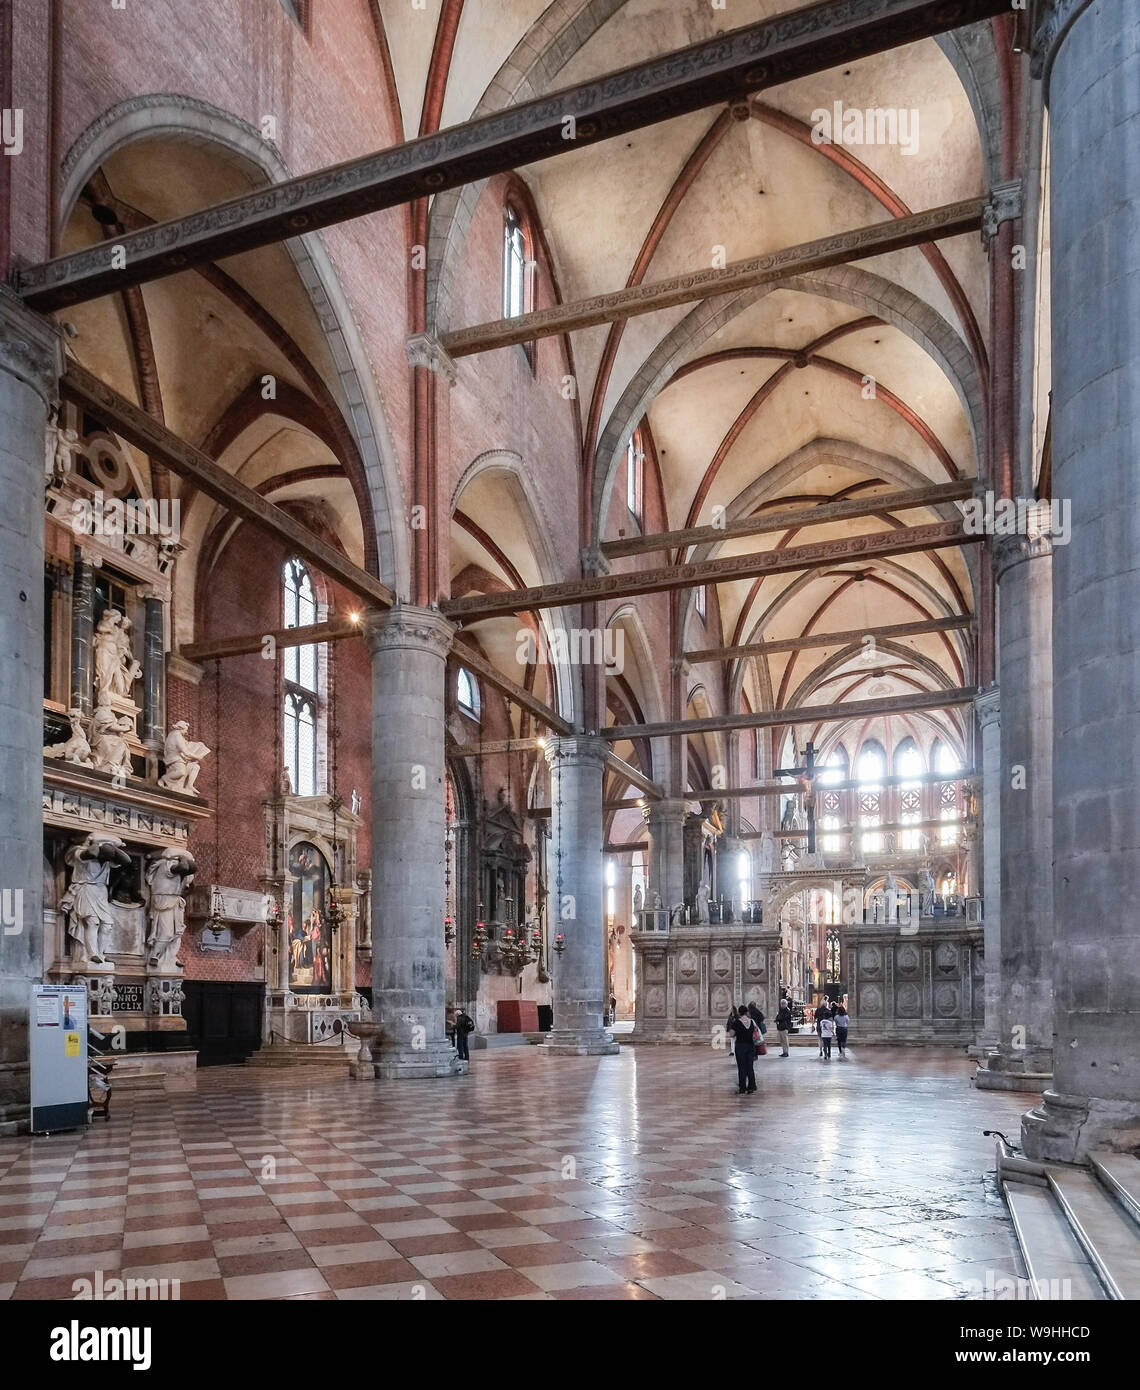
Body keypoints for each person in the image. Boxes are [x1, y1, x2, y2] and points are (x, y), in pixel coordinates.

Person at [727, 1005, 758, 1094]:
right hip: (751, 1046)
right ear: (746, 1012)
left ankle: (743, 1087)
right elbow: (755, 1031)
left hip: (740, 1046)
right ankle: (752, 1086)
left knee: (742, 1067)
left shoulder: (737, 1022)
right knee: (750, 1067)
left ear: (739, 1013)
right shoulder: (752, 1021)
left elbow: (731, 1034)